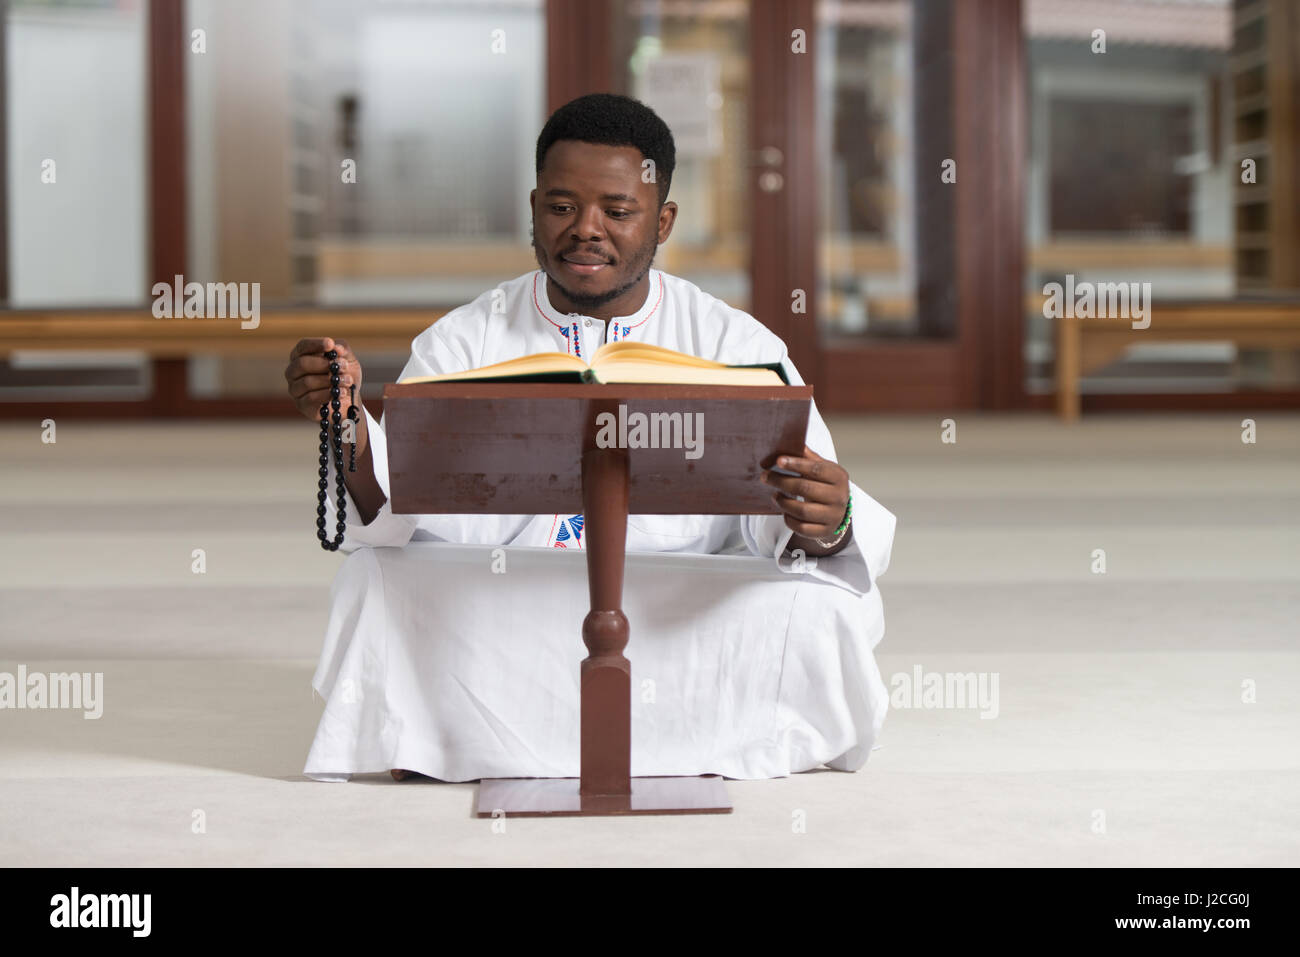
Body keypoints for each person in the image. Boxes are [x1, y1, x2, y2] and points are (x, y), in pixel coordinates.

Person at [284, 93, 896, 783]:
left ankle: (485, 742)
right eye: (561, 206)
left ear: (662, 222)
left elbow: (814, 525)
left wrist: (828, 518)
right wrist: (346, 421)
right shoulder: (463, 339)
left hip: (674, 608)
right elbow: (394, 509)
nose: (586, 229)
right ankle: (446, 736)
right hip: (510, 600)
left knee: (818, 603)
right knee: (373, 579)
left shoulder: (737, 344)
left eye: (618, 209)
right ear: (533, 212)